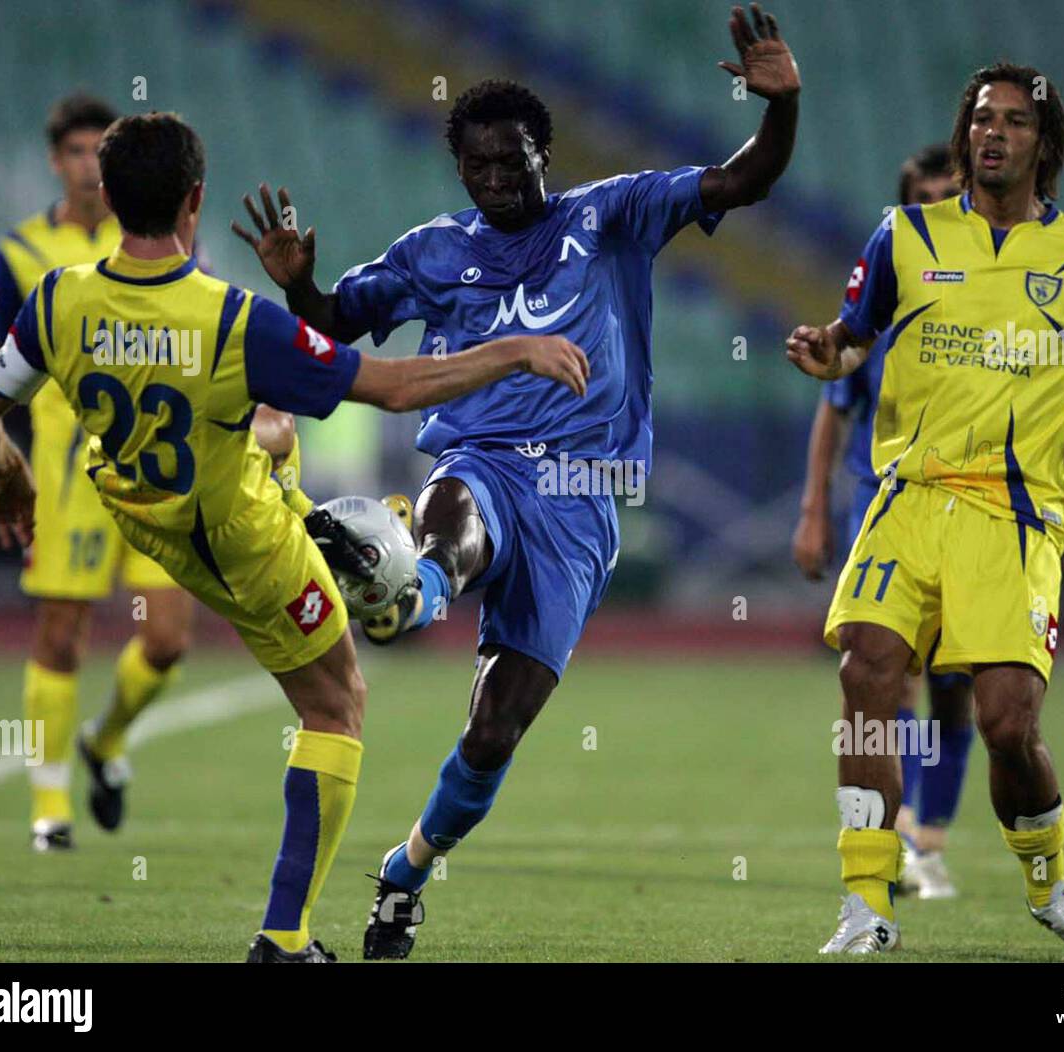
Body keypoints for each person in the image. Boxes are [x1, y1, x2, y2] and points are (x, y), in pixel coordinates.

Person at [0, 112, 591, 962]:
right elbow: (398, 387)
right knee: (336, 707)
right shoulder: (234, 320)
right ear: (196, 201)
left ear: (109, 198)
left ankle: (343, 533)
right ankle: (284, 940)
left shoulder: (59, 300)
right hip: (239, 543)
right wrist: (514, 350)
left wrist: (9, 472)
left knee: (271, 442)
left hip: (146, 515)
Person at [232, 3, 799, 958]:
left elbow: (746, 177)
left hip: (581, 501)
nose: (495, 179)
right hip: (483, 462)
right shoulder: (432, 253)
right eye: (477, 165)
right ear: (459, 168)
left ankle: (405, 873)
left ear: (545, 153)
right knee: (457, 509)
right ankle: (411, 585)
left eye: (512, 160)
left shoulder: (611, 214)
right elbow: (334, 320)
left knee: (494, 732)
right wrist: (297, 283)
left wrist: (781, 106)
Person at [785, 63, 1064, 954]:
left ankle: (1049, 886)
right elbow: (850, 339)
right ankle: (867, 901)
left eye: (1016, 122)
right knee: (866, 678)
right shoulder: (905, 236)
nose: (995, 133)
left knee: (1007, 724)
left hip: (1012, 518)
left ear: (1043, 143)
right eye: (983, 119)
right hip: (909, 498)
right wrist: (825, 355)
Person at [791, 143, 1064, 899]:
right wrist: (813, 512)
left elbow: (1057, 410)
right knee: (877, 685)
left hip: (992, 516)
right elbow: (834, 407)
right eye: (925, 194)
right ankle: (881, 854)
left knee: (972, 699)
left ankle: (929, 840)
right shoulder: (892, 295)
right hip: (893, 503)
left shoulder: (1017, 297)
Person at [0, 94, 198, 850]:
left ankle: (106, 738)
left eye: (101, 152)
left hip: (154, 473)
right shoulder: (21, 254)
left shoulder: (155, 239)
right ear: (57, 160)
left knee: (169, 641)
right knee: (60, 634)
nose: (90, 166)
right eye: (77, 153)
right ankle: (49, 807)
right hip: (63, 477)